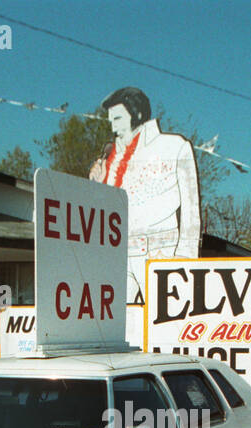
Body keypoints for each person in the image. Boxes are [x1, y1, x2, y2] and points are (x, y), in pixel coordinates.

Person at [88, 87, 200, 303]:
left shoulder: (174, 146)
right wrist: (98, 183)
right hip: (117, 251)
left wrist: (186, 255)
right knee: (113, 324)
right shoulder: (111, 158)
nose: (113, 126)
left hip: (159, 249)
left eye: (118, 118)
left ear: (137, 115)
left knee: (165, 322)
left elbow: (191, 207)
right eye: (111, 120)